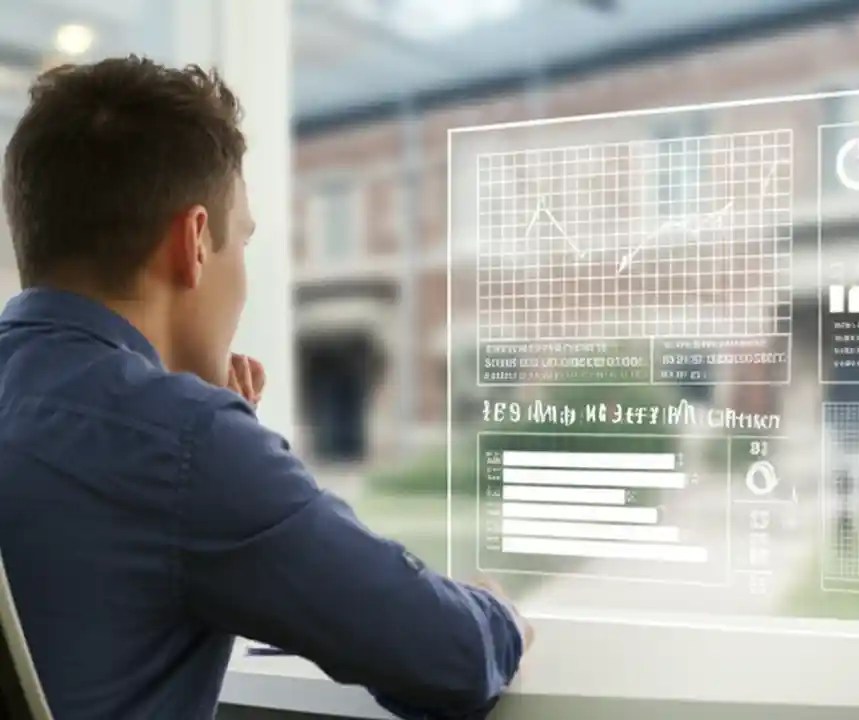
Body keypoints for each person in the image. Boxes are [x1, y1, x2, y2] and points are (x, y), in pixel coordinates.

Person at [0, 56, 530, 719]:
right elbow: (448, 658)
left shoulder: (147, 440)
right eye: (242, 243)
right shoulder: (183, 446)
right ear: (194, 242)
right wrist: (501, 612)